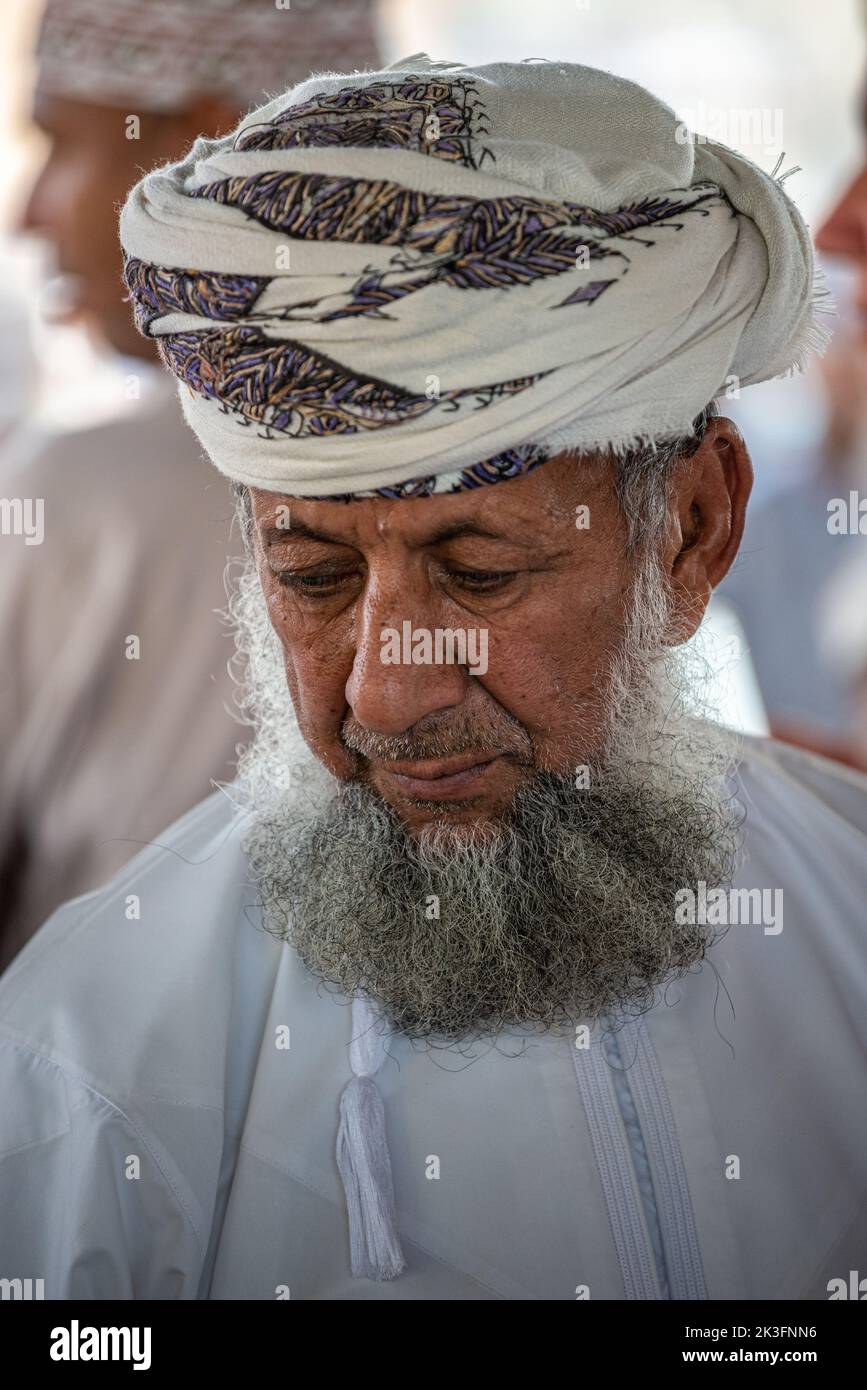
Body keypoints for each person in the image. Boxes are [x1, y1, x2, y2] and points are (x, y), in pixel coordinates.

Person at [1, 56, 865, 1301]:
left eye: (477, 574)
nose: (381, 697)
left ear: (691, 529)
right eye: (314, 578)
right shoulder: (84, 1069)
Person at [0, 0, 382, 969]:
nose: (30, 209)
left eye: (63, 144)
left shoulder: (71, 488)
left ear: (207, 144)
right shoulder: (504, 459)